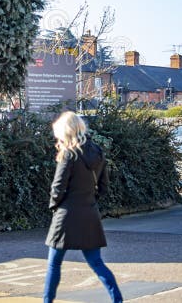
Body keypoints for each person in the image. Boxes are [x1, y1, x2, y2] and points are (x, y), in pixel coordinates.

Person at [43, 111, 122, 303]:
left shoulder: (68, 155)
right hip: (89, 214)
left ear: (65, 131)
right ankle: (117, 300)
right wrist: (89, 200)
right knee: (96, 262)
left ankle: (47, 301)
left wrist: (54, 206)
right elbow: (104, 187)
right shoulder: (98, 152)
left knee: (54, 264)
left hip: (66, 215)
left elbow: (58, 187)